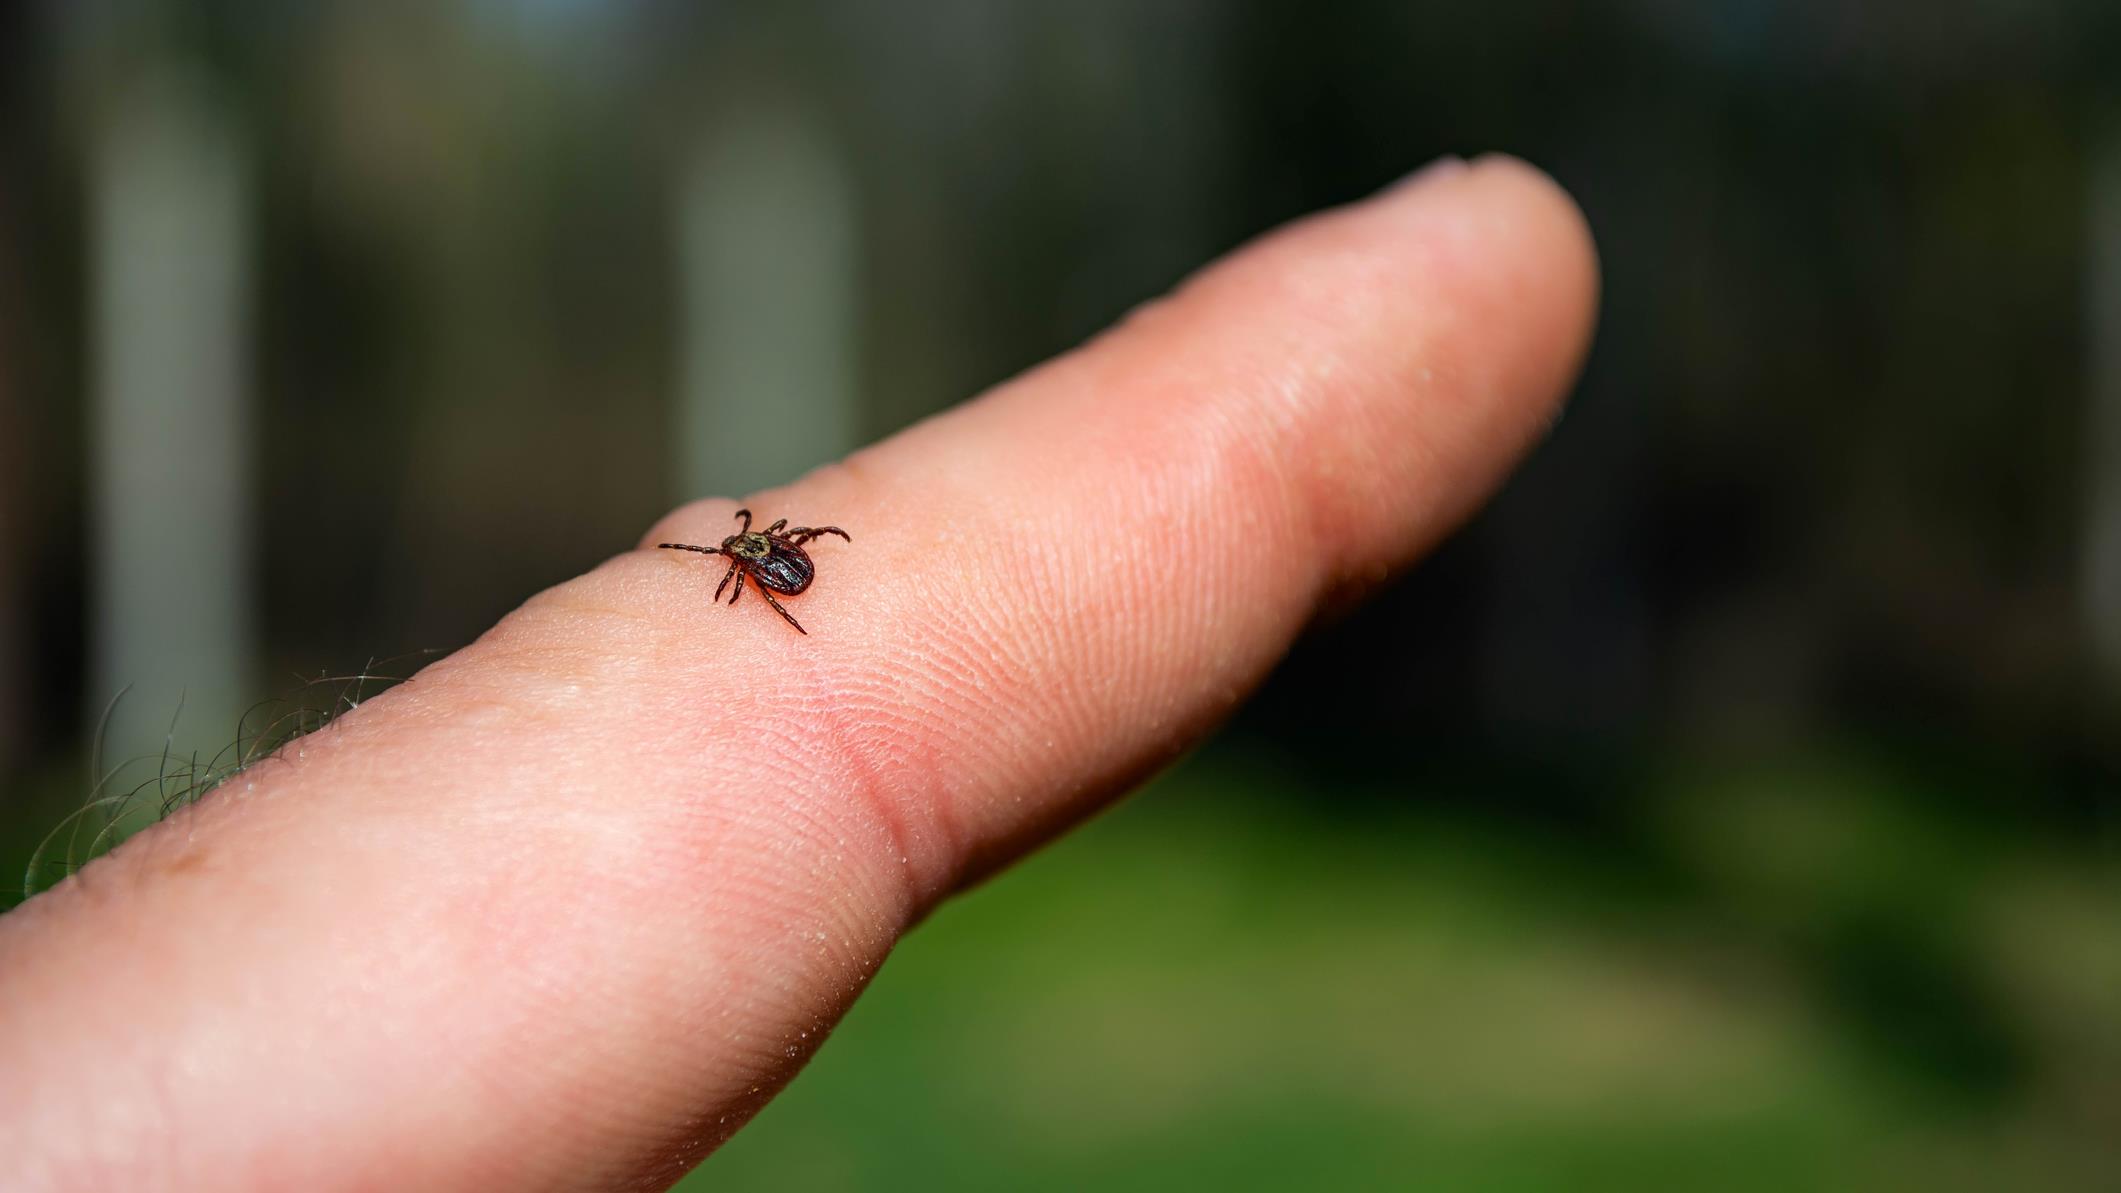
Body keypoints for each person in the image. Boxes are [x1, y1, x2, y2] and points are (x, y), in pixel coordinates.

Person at [0, 156, 1597, 1190]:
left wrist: (770, 567)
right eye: (763, 561)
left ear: (763, 553)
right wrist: (788, 576)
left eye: (769, 556)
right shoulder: (767, 563)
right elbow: (785, 558)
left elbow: (776, 551)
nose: (766, 561)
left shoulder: (753, 554)